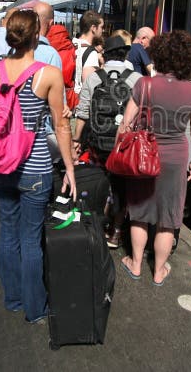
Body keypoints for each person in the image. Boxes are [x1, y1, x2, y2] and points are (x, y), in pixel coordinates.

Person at [0, 8, 77, 324]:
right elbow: (61, 126)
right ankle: (35, 308)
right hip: (36, 166)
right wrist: (69, 167)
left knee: (7, 234)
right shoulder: (48, 75)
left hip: (3, 165)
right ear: (38, 33)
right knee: (31, 239)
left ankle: (12, 299)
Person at [119, 30, 191, 286]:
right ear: (188, 60)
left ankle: (135, 264)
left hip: (144, 155)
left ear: (158, 55)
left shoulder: (144, 84)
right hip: (176, 158)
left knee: (140, 212)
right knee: (168, 218)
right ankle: (158, 271)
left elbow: (125, 124)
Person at [73, 35, 142, 248]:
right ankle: (116, 232)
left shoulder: (95, 78)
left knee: (101, 183)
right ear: (125, 54)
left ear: (105, 55)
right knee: (121, 187)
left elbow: (83, 112)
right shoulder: (137, 78)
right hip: (125, 145)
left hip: (98, 143)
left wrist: (76, 139)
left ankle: (97, 226)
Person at [73, 10, 104, 94]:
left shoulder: (72, 44)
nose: (102, 30)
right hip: (79, 101)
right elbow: (90, 86)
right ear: (93, 28)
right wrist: (102, 66)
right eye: (101, 27)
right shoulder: (91, 53)